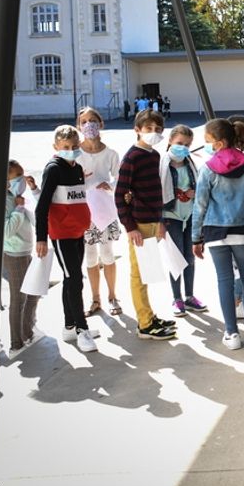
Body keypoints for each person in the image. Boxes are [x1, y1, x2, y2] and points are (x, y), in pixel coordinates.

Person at [192, 118, 244, 350]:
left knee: (224, 281)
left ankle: (231, 334)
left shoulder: (207, 168)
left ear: (218, 143)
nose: (206, 146)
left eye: (207, 141)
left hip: (215, 232)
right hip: (243, 231)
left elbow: (200, 205)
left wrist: (196, 238)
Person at [36, 125, 99, 354]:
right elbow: (41, 206)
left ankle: (70, 326)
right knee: (75, 279)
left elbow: (78, 199)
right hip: (61, 234)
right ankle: (83, 330)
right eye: (65, 148)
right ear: (56, 147)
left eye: (74, 147)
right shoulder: (53, 169)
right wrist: (41, 238)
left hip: (78, 231)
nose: (71, 151)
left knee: (70, 278)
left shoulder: (78, 168)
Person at [115, 109, 177, 340]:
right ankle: (144, 324)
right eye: (148, 129)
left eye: (158, 129)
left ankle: (149, 316)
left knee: (148, 272)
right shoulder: (132, 157)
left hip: (152, 221)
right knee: (138, 275)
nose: (153, 133)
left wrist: (160, 220)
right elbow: (120, 194)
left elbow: (157, 191)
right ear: (137, 130)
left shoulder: (154, 156)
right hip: (138, 224)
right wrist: (129, 227)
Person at [77, 107, 122, 317]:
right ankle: (95, 299)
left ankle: (113, 296)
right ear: (79, 126)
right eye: (84, 121)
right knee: (90, 258)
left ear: (101, 124)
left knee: (107, 254)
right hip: (84, 213)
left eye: (93, 120)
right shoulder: (75, 153)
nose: (89, 125)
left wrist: (110, 184)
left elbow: (119, 179)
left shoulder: (111, 154)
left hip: (105, 211)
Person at [161, 125, 207, 316]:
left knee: (189, 258)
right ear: (170, 141)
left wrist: (193, 193)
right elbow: (158, 192)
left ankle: (189, 296)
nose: (183, 147)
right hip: (171, 217)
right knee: (176, 259)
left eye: (187, 144)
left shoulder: (190, 162)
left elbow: (197, 185)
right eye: (180, 143)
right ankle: (176, 298)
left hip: (190, 215)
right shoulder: (162, 163)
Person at [3, 160, 42, 358]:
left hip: (25, 251)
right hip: (13, 254)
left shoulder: (14, 196)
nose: (21, 179)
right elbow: (7, 231)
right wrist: (19, 209)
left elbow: (33, 219)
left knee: (32, 293)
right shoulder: (5, 200)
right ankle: (16, 343)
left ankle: (27, 332)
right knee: (19, 298)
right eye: (16, 176)